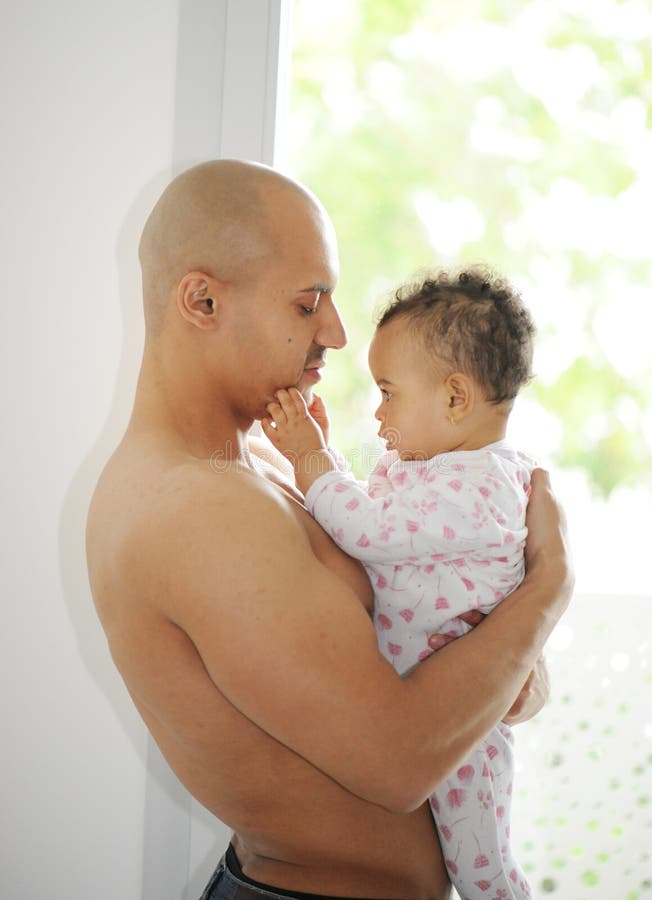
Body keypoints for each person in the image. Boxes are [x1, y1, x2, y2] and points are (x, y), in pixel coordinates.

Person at [86, 159, 573, 900]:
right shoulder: (192, 508)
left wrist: (506, 666)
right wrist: (547, 592)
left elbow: (454, 673)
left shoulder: (260, 465)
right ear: (203, 300)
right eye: (308, 302)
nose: (337, 333)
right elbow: (400, 762)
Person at [261, 268, 538, 899]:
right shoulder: (428, 469)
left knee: (482, 871)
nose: (379, 413)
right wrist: (326, 458)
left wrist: (312, 461)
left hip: (464, 733)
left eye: (388, 393)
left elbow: (372, 534)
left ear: (455, 398)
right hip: (421, 706)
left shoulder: (484, 484)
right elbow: (376, 528)